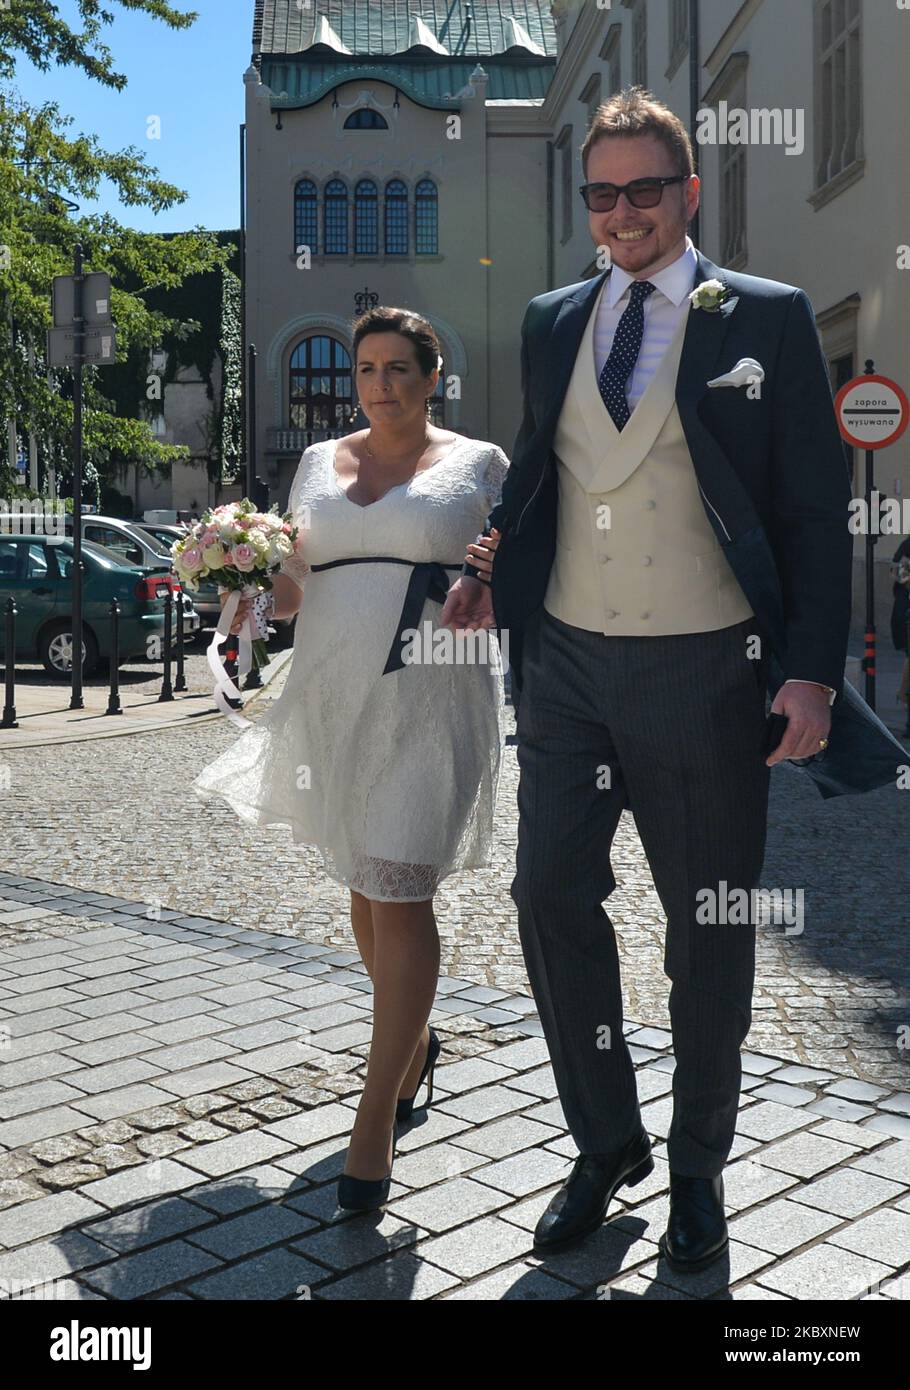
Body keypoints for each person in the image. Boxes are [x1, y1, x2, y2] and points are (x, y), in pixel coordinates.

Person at [442, 87, 854, 1272]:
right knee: (546, 895)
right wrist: (487, 565)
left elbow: (814, 515)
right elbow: (537, 469)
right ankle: (607, 1135)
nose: (621, 213)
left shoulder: (762, 319)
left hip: (706, 667)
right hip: (567, 660)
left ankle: (697, 1171)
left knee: (704, 933)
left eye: (643, 190)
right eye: (601, 193)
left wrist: (811, 675)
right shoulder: (551, 318)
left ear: (685, 192)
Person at [193, 307, 508, 1210]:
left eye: (401, 367)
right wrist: (241, 578)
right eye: (368, 368)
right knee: (367, 895)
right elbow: (295, 590)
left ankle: (372, 1126)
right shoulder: (313, 464)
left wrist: (493, 571)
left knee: (401, 892)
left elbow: (522, 563)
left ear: (431, 372)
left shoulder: (480, 464)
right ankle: (412, 1047)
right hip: (330, 693)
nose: (384, 384)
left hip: (430, 693)